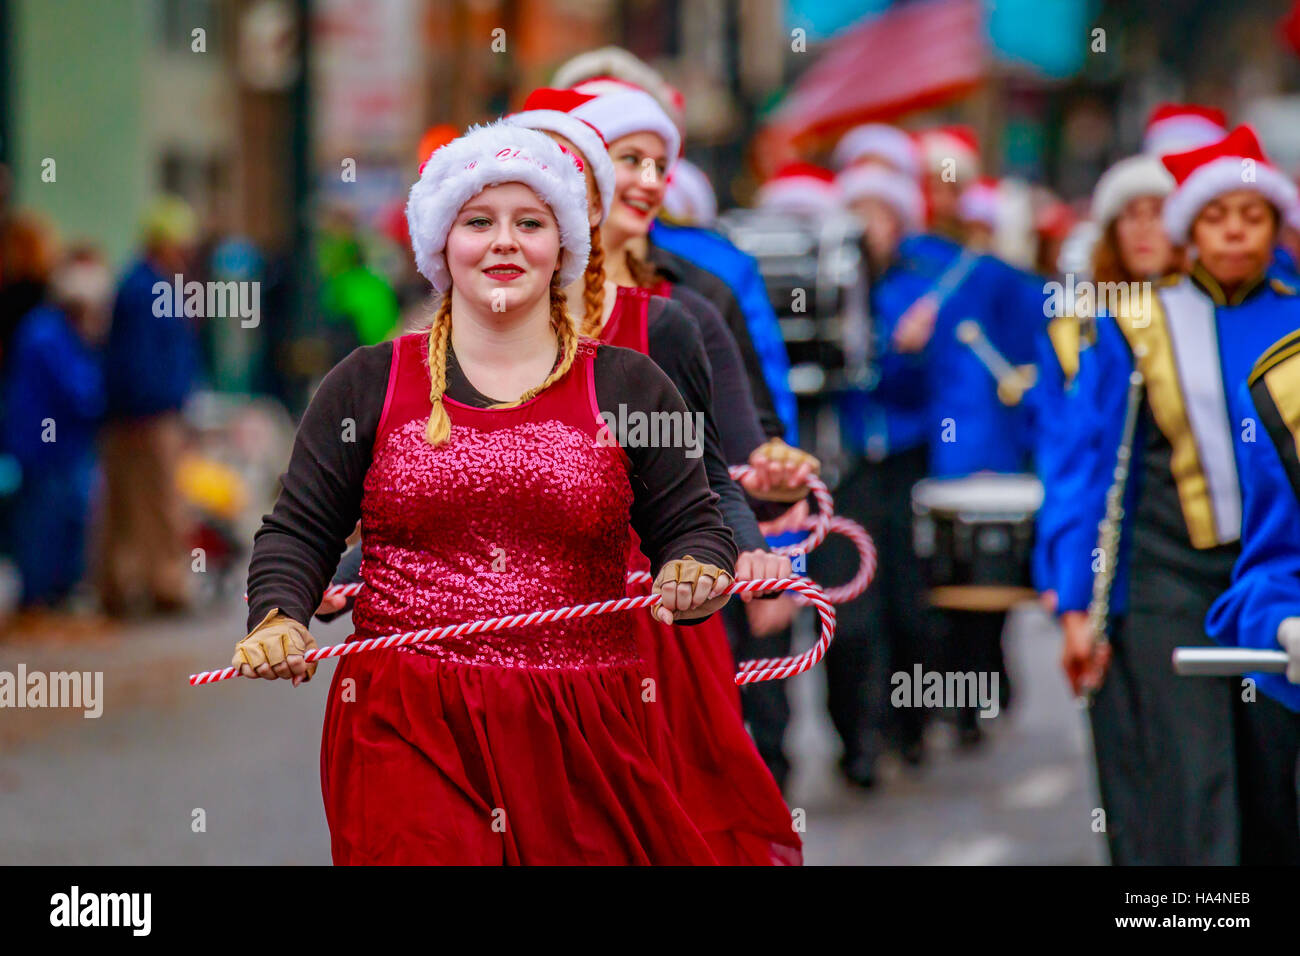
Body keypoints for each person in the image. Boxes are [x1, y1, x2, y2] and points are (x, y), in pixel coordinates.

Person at [240, 123, 738, 865]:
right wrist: (278, 614)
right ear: (441, 244)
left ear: (563, 247)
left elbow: (695, 526)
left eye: (529, 223)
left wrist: (696, 571)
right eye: (479, 222)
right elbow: (299, 531)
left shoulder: (632, 385)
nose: (504, 242)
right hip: (405, 722)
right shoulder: (365, 382)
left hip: (580, 729)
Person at [508, 89, 802, 861]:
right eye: (626, 160)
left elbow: (722, 464)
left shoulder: (676, 319)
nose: (645, 180)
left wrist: (763, 538)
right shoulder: (471, 332)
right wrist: (336, 576)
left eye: (656, 164)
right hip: (511, 628)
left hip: (654, 618)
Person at [1057, 125, 1300, 864]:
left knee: (1271, 780)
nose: (1234, 232)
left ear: (1274, 225)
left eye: (1251, 216)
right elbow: (1088, 465)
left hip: (1279, 575)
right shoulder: (1136, 319)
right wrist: (1075, 601)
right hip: (1171, 573)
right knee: (1195, 779)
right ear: (1190, 227)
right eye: (1216, 216)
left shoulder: (1295, 314)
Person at [98, 196, 201, 617]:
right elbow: (144, 359)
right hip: (148, 415)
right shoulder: (150, 289)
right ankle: (163, 584)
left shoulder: (140, 284)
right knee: (156, 504)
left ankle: (120, 585)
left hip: (134, 412)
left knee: (124, 505)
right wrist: (156, 404)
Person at [2, 247, 110, 626]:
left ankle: (57, 592)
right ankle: (38, 596)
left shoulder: (54, 330)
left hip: (66, 446)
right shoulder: (47, 333)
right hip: (46, 447)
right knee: (43, 523)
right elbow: (79, 391)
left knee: (69, 519)